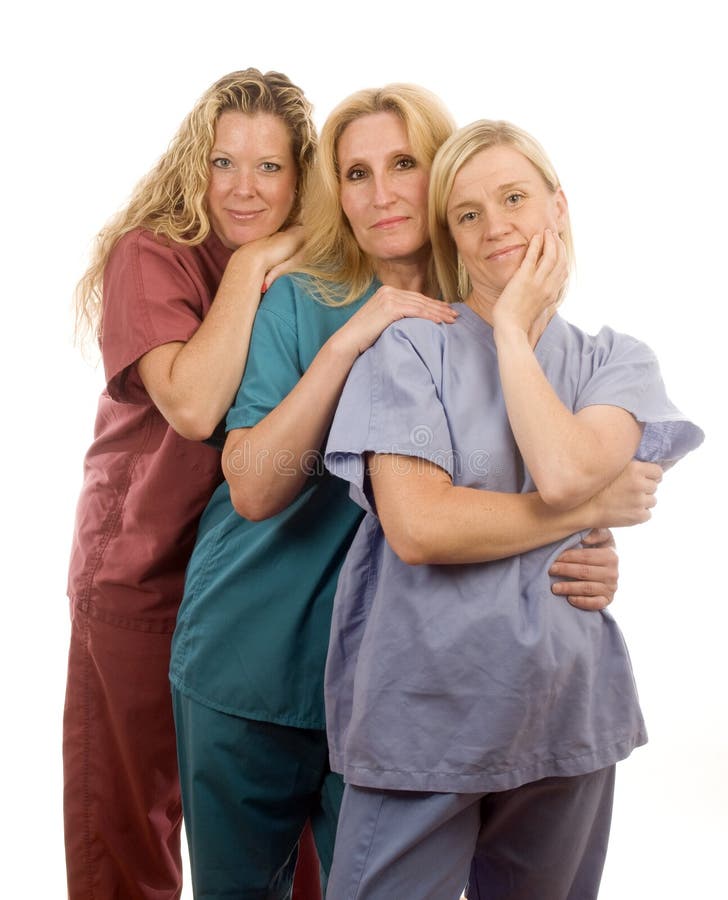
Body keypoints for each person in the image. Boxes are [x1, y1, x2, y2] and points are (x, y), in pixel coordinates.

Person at [170, 86, 637, 899]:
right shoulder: (301, 302)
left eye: (403, 164)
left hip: (397, 690)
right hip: (255, 659)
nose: (380, 193)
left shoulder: (504, 321)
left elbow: (533, 471)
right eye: (355, 172)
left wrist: (587, 545)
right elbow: (253, 488)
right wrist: (354, 337)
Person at [322, 118, 704, 899]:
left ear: (557, 206)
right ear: (452, 238)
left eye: (515, 197)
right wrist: (588, 509)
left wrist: (511, 336)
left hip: (564, 719)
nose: (496, 226)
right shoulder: (409, 349)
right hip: (422, 717)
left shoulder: (613, 360)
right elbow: (421, 527)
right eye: (468, 214)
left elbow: (562, 467)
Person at [65, 69, 321, 900]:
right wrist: (251, 264)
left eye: (270, 168)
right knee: (128, 824)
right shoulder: (155, 252)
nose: (244, 188)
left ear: (300, 174)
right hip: (142, 572)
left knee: (286, 829)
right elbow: (194, 402)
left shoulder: (318, 267)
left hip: (257, 585)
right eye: (224, 163)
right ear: (194, 165)